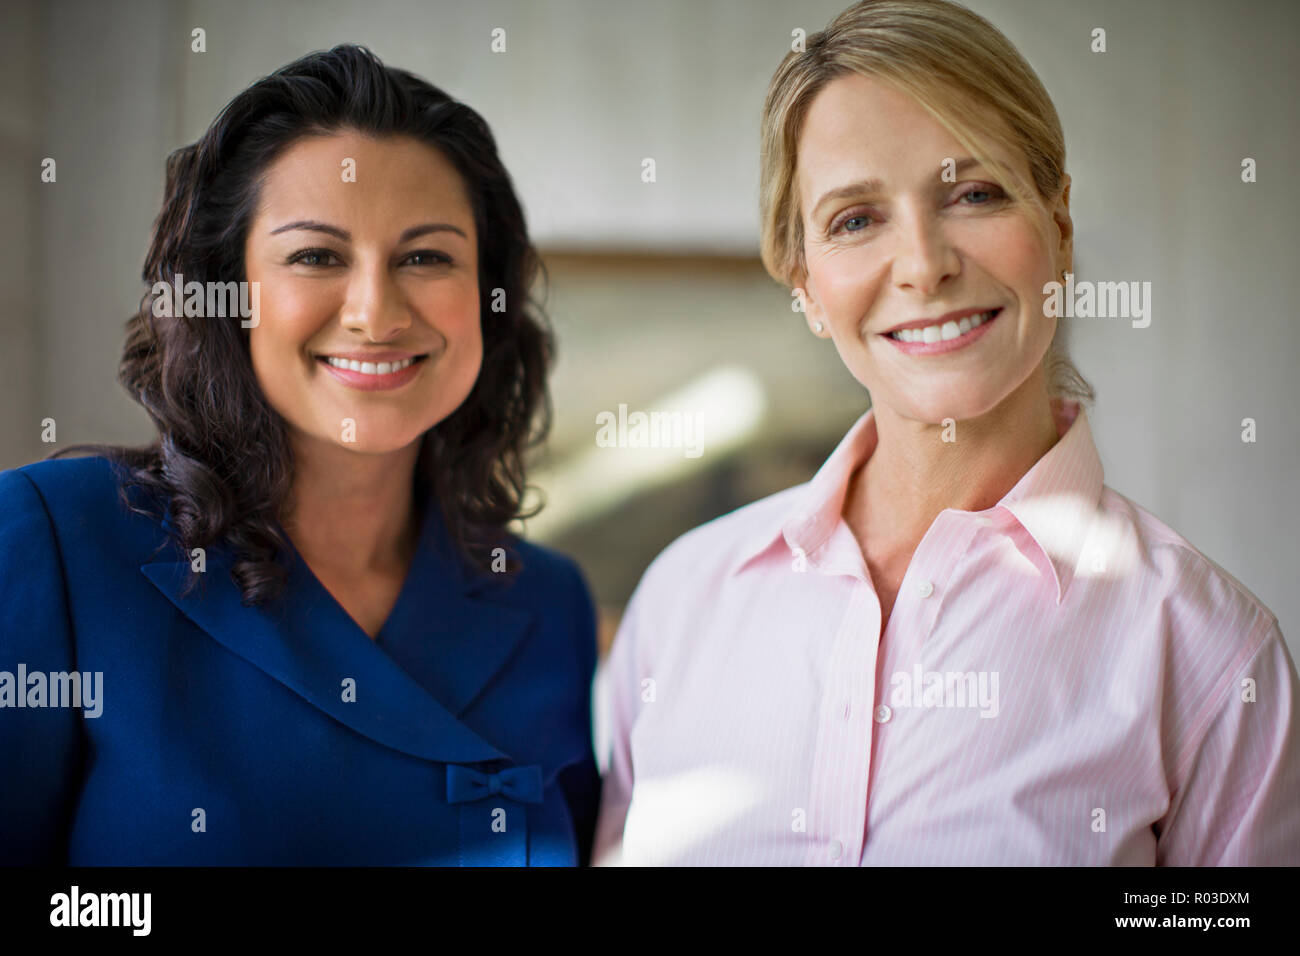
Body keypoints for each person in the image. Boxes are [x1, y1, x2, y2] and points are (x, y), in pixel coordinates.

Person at [592, 0, 1300, 865]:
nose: (925, 264)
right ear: (806, 285)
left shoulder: (1209, 652)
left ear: (1060, 225)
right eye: (855, 219)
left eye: (974, 194)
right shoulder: (680, 605)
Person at [0, 44, 599, 866]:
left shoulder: (549, 604)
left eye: (426, 257)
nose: (375, 313)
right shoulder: (56, 541)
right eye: (316, 256)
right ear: (226, 293)